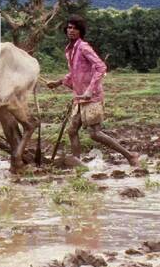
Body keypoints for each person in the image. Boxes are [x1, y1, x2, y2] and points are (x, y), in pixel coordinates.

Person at [45, 15, 142, 167]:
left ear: (80, 31)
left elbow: (101, 67)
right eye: (69, 27)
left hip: (92, 97)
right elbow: (74, 72)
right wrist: (57, 82)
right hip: (79, 96)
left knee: (95, 134)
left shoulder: (83, 47)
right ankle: (77, 162)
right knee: (72, 130)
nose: (71, 30)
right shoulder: (69, 50)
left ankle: (130, 156)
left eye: (75, 28)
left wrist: (90, 90)